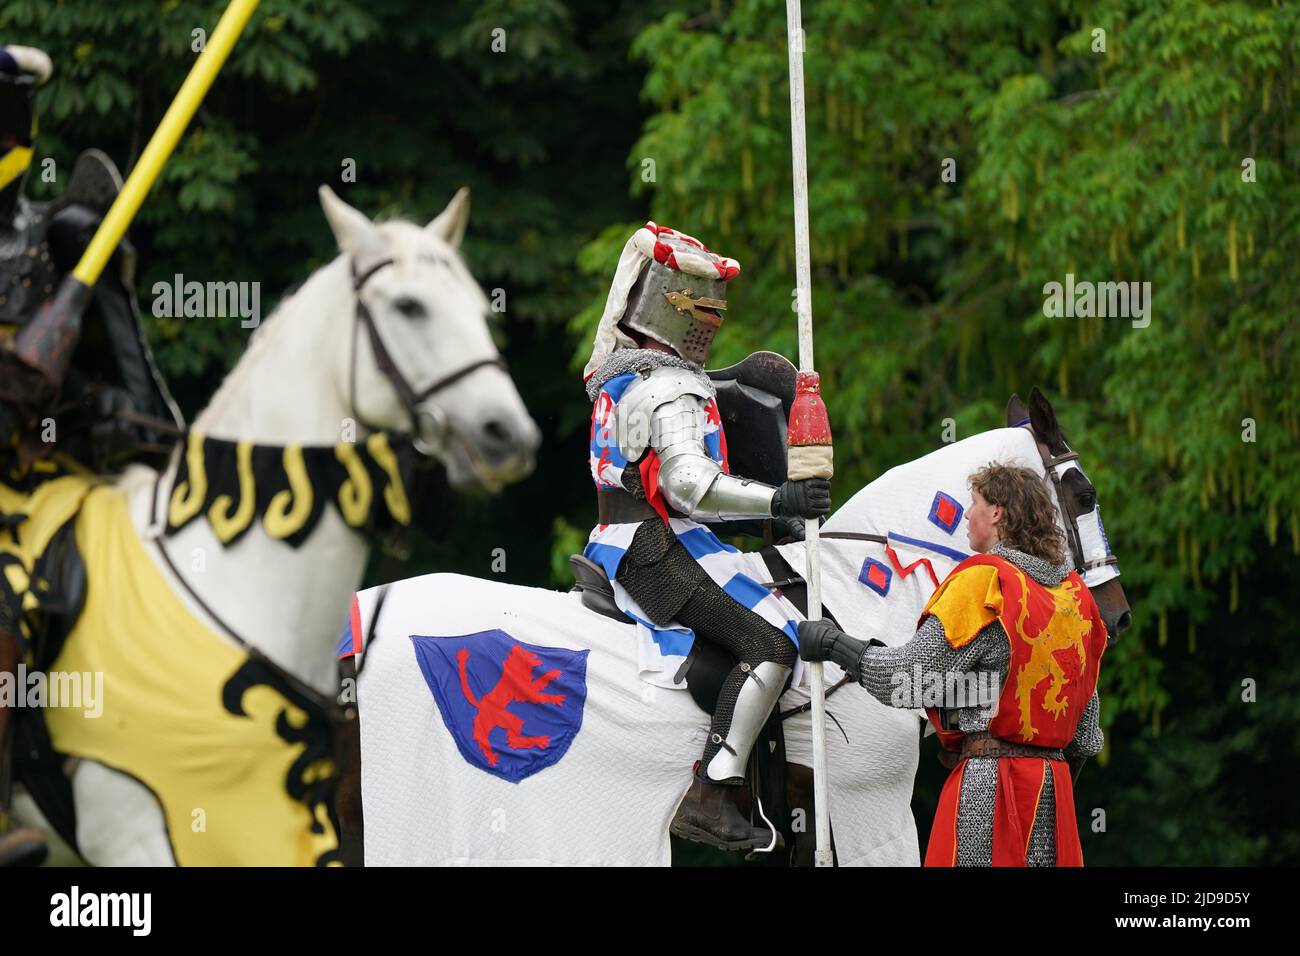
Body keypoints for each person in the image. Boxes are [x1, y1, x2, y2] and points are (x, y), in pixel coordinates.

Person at [582, 222, 830, 850]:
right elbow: (690, 486)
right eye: (705, 305)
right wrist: (782, 498)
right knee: (773, 645)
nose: (714, 318)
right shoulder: (672, 384)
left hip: (629, 536)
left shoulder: (620, 373)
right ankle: (713, 791)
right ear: (674, 304)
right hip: (657, 548)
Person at [799, 462, 1107, 865]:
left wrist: (835, 645)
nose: (966, 514)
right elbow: (1082, 735)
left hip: (988, 789)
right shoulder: (1078, 598)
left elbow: (907, 681)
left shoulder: (985, 582)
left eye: (975, 503)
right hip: (1056, 795)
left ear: (997, 512)